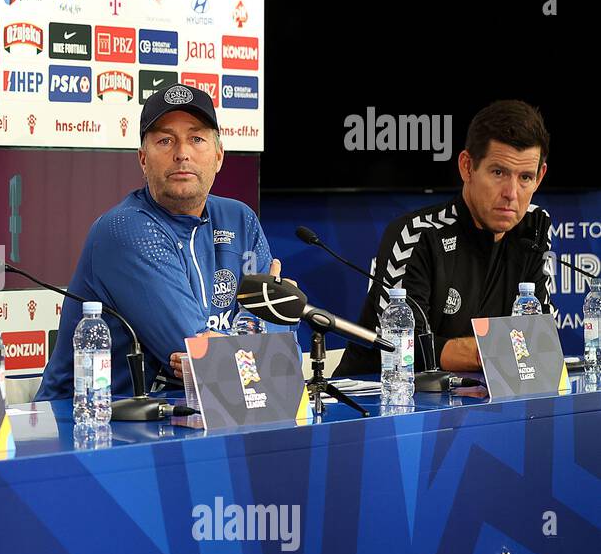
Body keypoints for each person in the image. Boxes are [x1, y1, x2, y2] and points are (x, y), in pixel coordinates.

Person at [37, 84, 290, 401]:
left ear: (219, 156)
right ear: (143, 159)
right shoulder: (125, 229)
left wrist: (233, 348)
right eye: (165, 140)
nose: (182, 152)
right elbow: (197, 352)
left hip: (200, 417)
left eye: (196, 139)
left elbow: (279, 352)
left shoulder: (240, 219)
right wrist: (256, 328)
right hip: (94, 425)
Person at [336, 100, 552, 376]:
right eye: (498, 173)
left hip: (476, 402)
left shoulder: (534, 227)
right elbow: (402, 348)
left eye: (525, 177)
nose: (511, 193)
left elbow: (540, 342)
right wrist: (497, 352)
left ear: (539, 177)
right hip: (381, 403)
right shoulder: (418, 234)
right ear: (467, 167)